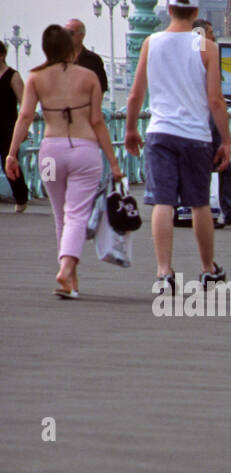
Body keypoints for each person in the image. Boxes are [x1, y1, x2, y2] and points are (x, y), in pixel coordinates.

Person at [4, 24, 124, 297]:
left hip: (50, 152)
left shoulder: (35, 77)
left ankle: (70, 280)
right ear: (70, 48)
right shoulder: (89, 77)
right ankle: (66, 268)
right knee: (77, 214)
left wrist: (12, 153)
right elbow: (98, 122)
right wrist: (114, 163)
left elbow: (24, 117)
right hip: (85, 152)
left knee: (61, 215)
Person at [125, 0, 231, 292]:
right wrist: (226, 139)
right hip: (196, 135)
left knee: (163, 201)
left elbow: (135, 95)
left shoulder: (151, 42)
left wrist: (131, 128)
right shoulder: (206, 47)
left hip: (160, 132)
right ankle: (208, 269)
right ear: (196, 13)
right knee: (199, 203)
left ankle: (163, 272)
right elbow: (215, 100)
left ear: (169, 10)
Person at [193, 20, 231, 229]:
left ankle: (224, 209)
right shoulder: (206, 53)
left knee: (216, 165)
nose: (213, 36)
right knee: (218, 163)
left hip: (193, 117)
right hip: (207, 115)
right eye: (210, 32)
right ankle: (217, 209)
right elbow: (215, 94)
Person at [0, 41, 28, 212]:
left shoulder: (13, 76)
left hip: (8, 126)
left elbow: (24, 103)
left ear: (2, 55)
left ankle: (21, 197)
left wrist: (24, 127)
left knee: (9, 161)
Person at [64, 19, 108, 94]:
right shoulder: (57, 58)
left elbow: (101, 88)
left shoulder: (94, 60)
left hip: (85, 104)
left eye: (71, 33)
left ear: (82, 35)